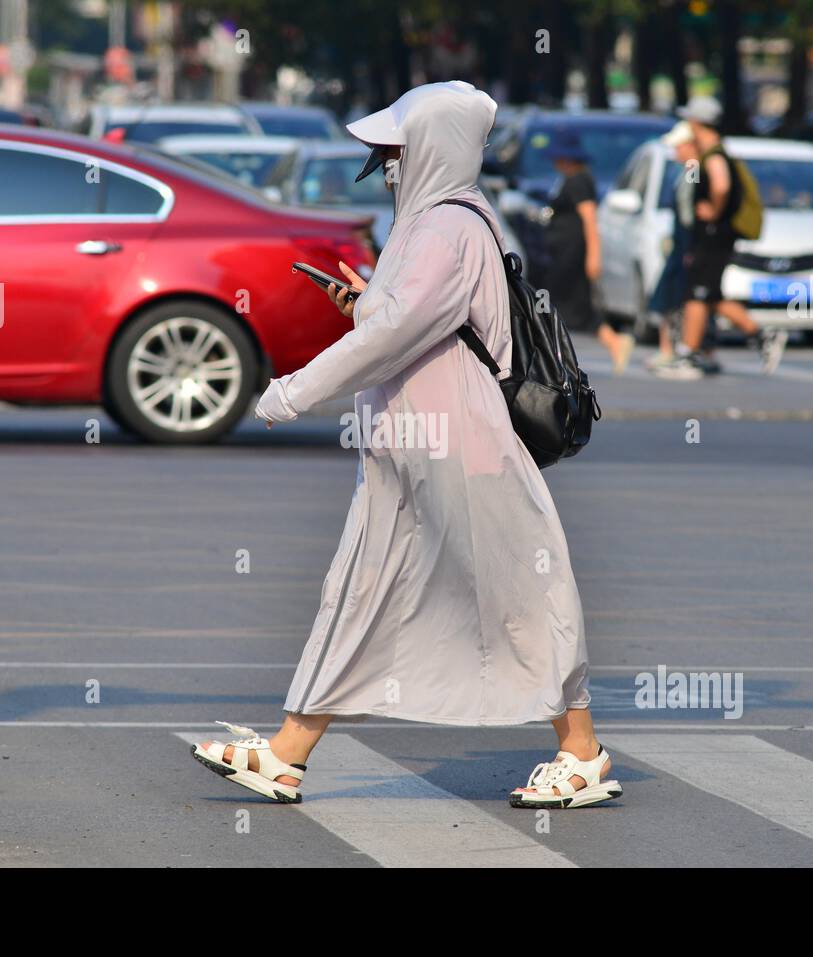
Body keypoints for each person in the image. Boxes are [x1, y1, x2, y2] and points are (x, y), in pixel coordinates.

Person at [190, 81, 621, 810]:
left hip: (461, 449)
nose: (385, 163)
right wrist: (364, 303)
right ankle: (288, 752)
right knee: (357, 592)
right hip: (407, 454)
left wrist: (292, 390)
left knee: (520, 592)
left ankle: (581, 753)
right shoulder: (430, 225)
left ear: (432, 149)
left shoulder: (446, 228)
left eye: (395, 148)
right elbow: (403, 322)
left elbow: (393, 337)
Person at [655, 96, 786, 380]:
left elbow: (722, 185)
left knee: (698, 292)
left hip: (715, 235)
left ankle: (689, 355)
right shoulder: (711, 152)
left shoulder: (713, 154)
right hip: (715, 236)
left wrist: (713, 210)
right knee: (708, 294)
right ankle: (760, 336)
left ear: (697, 122)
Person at [543, 130, 632, 370]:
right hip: (564, 254)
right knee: (572, 305)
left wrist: (594, 255)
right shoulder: (571, 179)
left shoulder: (579, 180)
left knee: (566, 305)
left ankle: (612, 342)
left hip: (573, 255)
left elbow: (590, 219)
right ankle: (612, 343)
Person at [644, 121, 698, 374]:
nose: (674, 152)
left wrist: (689, 246)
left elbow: (691, 215)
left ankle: (674, 350)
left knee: (674, 296)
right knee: (669, 295)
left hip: (685, 244)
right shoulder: (687, 170)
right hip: (681, 243)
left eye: (678, 147)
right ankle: (672, 348)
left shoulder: (693, 171)